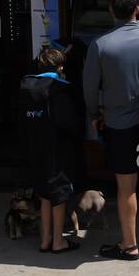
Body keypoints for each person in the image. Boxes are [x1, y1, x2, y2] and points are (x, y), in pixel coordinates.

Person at [84, 0, 139, 260]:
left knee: (126, 187)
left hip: (119, 126)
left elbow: (89, 87)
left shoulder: (100, 45)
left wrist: (94, 115)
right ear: (137, 9)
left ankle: (129, 245)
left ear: (111, 10)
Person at [17, 46, 83, 253]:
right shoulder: (59, 89)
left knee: (44, 194)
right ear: (60, 67)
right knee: (59, 196)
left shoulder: (27, 87)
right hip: (57, 150)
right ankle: (58, 241)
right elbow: (68, 123)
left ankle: (45, 240)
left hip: (35, 148)